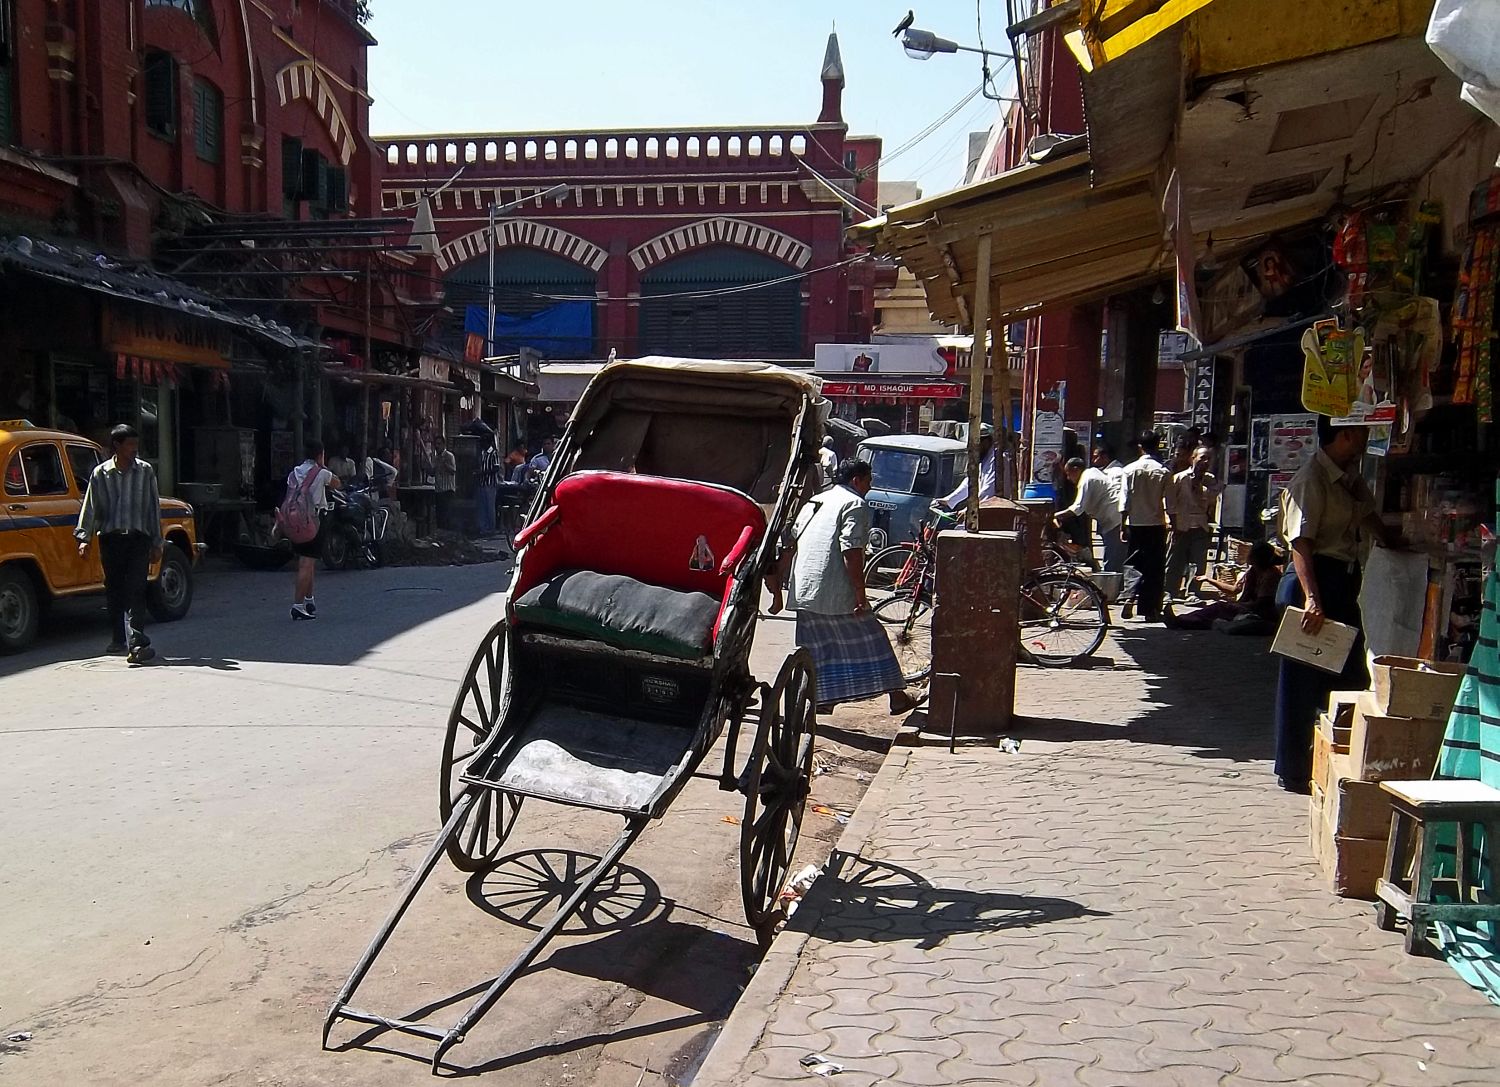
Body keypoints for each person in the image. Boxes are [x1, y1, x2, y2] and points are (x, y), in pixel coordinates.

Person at [1274, 419, 1404, 792]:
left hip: (1343, 581)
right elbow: (1301, 544)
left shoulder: (1349, 478)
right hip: (1312, 580)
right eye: (1361, 432)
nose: (1366, 439)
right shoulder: (1311, 479)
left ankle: (1336, 758)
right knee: (1301, 680)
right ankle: (1294, 768)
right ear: (1345, 434)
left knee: (1349, 676)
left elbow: (1369, 518)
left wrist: (1400, 544)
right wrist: (1312, 598)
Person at [777, 459, 916, 716]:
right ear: (857, 480)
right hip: (835, 592)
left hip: (805, 590)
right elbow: (851, 550)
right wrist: (860, 593)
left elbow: (790, 543)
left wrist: (778, 582)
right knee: (873, 641)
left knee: (821, 649)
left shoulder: (816, 501)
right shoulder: (855, 503)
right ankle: (897, 697)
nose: (869, 487)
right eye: (868, 481)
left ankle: (825, 699)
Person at [75, 424, 162, 663]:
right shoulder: (101, 473)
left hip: (138, 539)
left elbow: (153, 507)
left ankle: (137, 643)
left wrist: (157, 541)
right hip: (111, 539)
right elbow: (90, 506)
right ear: (117, 446)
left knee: (136, 588)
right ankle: (117, 638)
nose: (135, 449)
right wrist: (84, 538)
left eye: (136, 444)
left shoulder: (145, 471)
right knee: (114, 588)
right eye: (130, 445)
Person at [1163, 541, 1281, 632]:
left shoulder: (1270, 575)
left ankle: (1180, 621)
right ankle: (1181, 620)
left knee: (1219, 609)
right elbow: (1234, 590)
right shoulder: (1253, 572)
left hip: (1261, 615)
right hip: (1249, 608)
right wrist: (1209, 579)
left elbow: (1262, 604)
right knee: (1217, 610)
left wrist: (1239, 606)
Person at [1118, 430, 1171, 622]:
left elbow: (1124, 500)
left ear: (1140, 447)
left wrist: (1123, 525)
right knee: (1154, 567)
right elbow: (1170, 503)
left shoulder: (1129, 470)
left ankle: (1129, 596)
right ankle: (1149, 610)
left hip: (1135, 523)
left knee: (1133, 562)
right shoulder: (1164, 471)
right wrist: (1173, 521)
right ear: (1157, 446)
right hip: (1156, 523)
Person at [288, 439, 339, 621]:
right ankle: (298, 605)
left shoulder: (294, 473)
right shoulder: (322, 473)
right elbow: (337, 483)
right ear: (320, 454)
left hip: (295, 521)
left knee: (307, 560)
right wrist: (323, 466)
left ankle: (309, 600)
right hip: (314, 520)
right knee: (306, 563)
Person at [1164, 444, 1223, 599]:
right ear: (1193, 458)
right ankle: (1169, 590)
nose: (1205, 462)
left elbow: (1212, 499)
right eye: (1202, 458)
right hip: (1181, 525)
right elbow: (1170, 502)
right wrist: (1172, 523)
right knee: (1175, 560)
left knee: (1197, 561)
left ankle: (1193, 591)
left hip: (1200, 524)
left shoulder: (1210, 480)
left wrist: (1202, 484)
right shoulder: (1180, 478)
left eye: (1209, 459)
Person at [1055, 456, 1124, 573]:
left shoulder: (1087, 479)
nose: (1068, 478)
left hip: (1113, 518)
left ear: (1076, 469)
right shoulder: (1093, 473)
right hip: (1113, 517)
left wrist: (1056, 515)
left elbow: (1077, 508)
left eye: (1068, 473)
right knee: (1116, 556)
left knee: (1112, 558)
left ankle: (1110, 587)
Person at [938, 426, 997, 509]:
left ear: (986, 443)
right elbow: (970, 482)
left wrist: (970, 510)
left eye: (974, 446)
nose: (972, 451)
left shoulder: (995, 459)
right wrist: (948, 500)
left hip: (994, 510)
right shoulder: (984, 459)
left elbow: (988, 491)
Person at [433, 434, 457, 531]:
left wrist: (444, 463)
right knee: (439, 515)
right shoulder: (436, 458)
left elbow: (453, 471)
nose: (437, 446)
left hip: (447, 490)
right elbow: (432, 472)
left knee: (447, 515)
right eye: (436, 444)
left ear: (443, 445)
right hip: (438, 490)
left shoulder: (449, 456)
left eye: (439, 444)